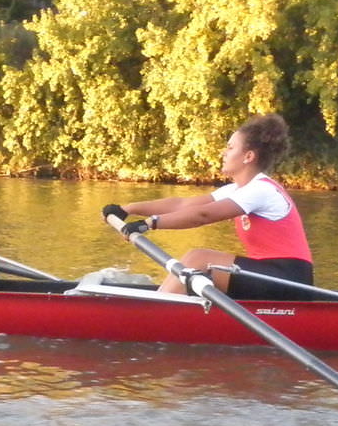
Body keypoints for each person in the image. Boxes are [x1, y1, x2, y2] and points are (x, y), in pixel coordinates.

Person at [111, 114, 315, 298]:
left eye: (231, 147)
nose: (224, 153)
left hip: (289, 279)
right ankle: (165, 303)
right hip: (268, 275)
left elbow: (203, 215)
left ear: (248, 156)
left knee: (198, 258)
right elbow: (182, 204)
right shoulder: (236, 190)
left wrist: (149, 224)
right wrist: (127, 209)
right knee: (195, 262)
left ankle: (151, 314)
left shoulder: (262, 190)